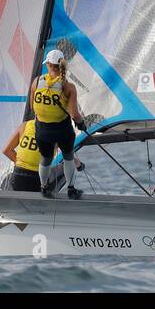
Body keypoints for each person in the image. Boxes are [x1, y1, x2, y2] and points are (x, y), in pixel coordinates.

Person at [30, 49, 87, 198]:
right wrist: (81, 124)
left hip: (42, 130)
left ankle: (43, 187)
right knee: (68, 157)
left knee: (46, 159)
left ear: (48, 64)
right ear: (62, 64)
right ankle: (71, 189)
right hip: (62, 129)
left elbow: (32, 107)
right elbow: (75, 114)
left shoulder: (36, 82)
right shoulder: (69, 87)